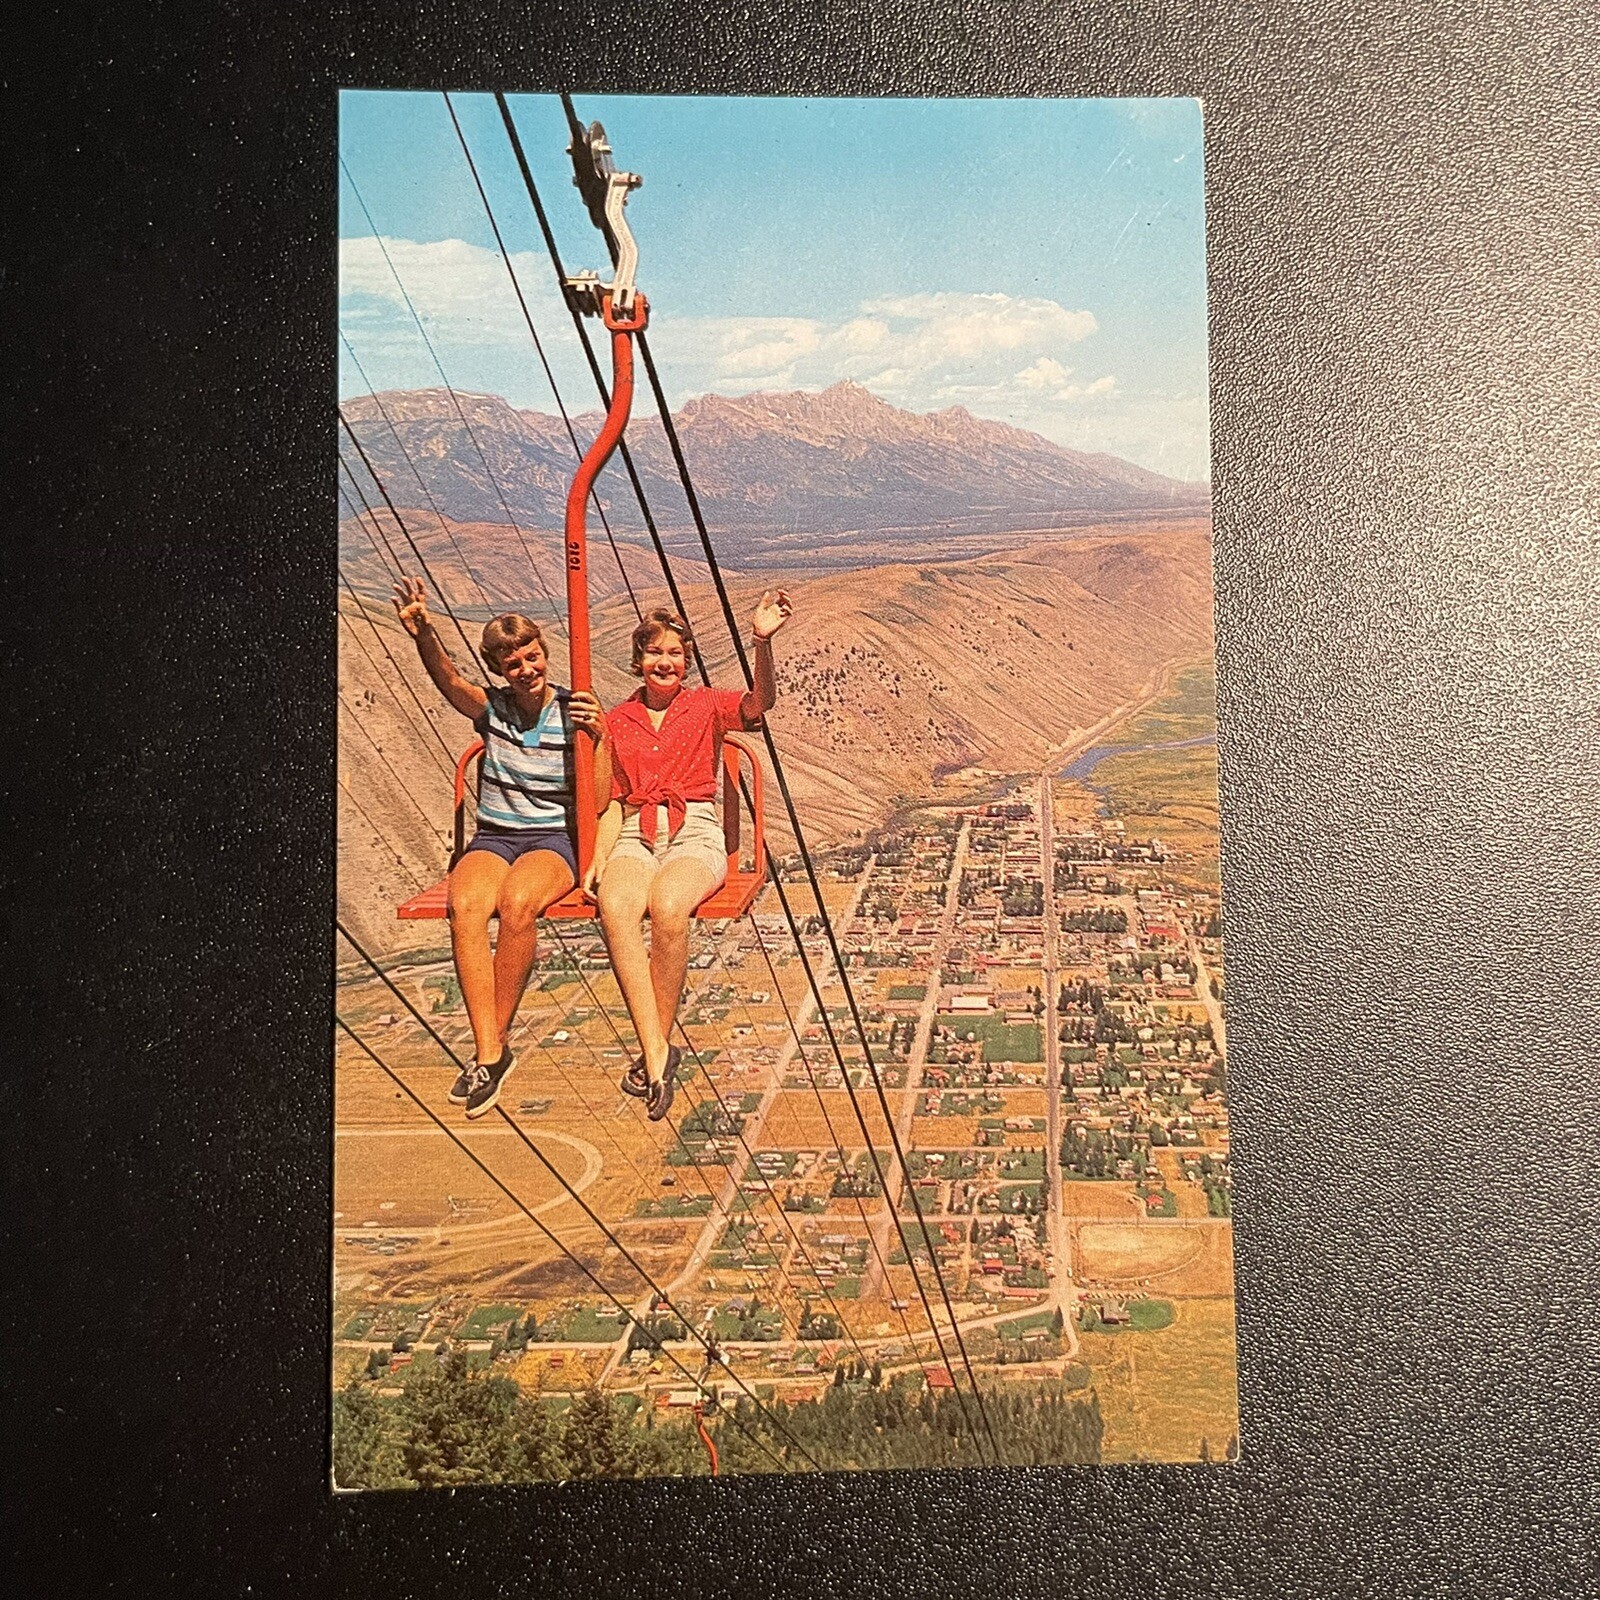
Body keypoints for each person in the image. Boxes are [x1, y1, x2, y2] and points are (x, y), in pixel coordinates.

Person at [391, 576, 609, 1119]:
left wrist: (601, 736)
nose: (528, 671)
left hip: (553, 838)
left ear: (544, 653)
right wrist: (424, 634)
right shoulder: (493, 710)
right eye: (514, 665)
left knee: (516, 905)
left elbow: (601, 796)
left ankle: (495, 1043)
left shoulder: (573, 711)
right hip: (495, 834)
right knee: (465, 908)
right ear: (500, 670)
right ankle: (490, 1050)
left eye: (533, 658)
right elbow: (449, 682)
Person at [584, 593, 792, 1120]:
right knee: (616, 906)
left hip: (695, 826)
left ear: (687, 660)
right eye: (655, 652)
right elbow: (611, 801)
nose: (665, 662)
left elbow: (759, 702)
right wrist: (598, 858)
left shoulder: (705, 705)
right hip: (636, 829)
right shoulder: (618, 719)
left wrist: (761, 642)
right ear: (639, 659)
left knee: (670, 906)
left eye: (675, 653)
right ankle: (657, 1051)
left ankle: (655, 1047)